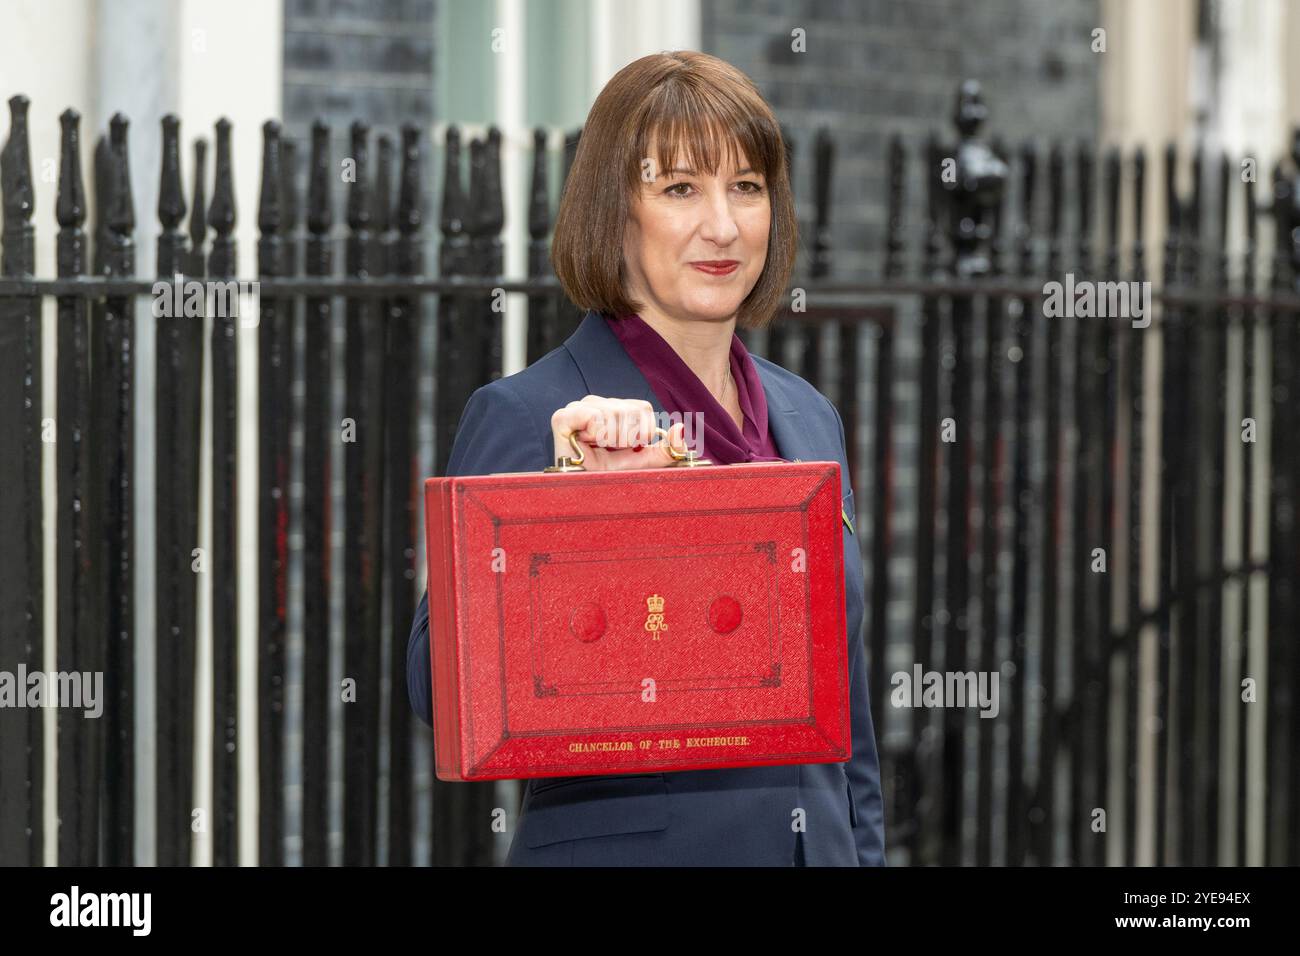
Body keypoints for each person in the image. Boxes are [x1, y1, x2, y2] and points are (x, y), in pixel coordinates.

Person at [407, 50, 886, 866]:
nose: (724, 226)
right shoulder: (533, 414)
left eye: (746, 186)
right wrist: (573, 502)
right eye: (679, 189)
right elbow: (438, 693)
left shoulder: (809, 415)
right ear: (614, 213)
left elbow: (851, 718)